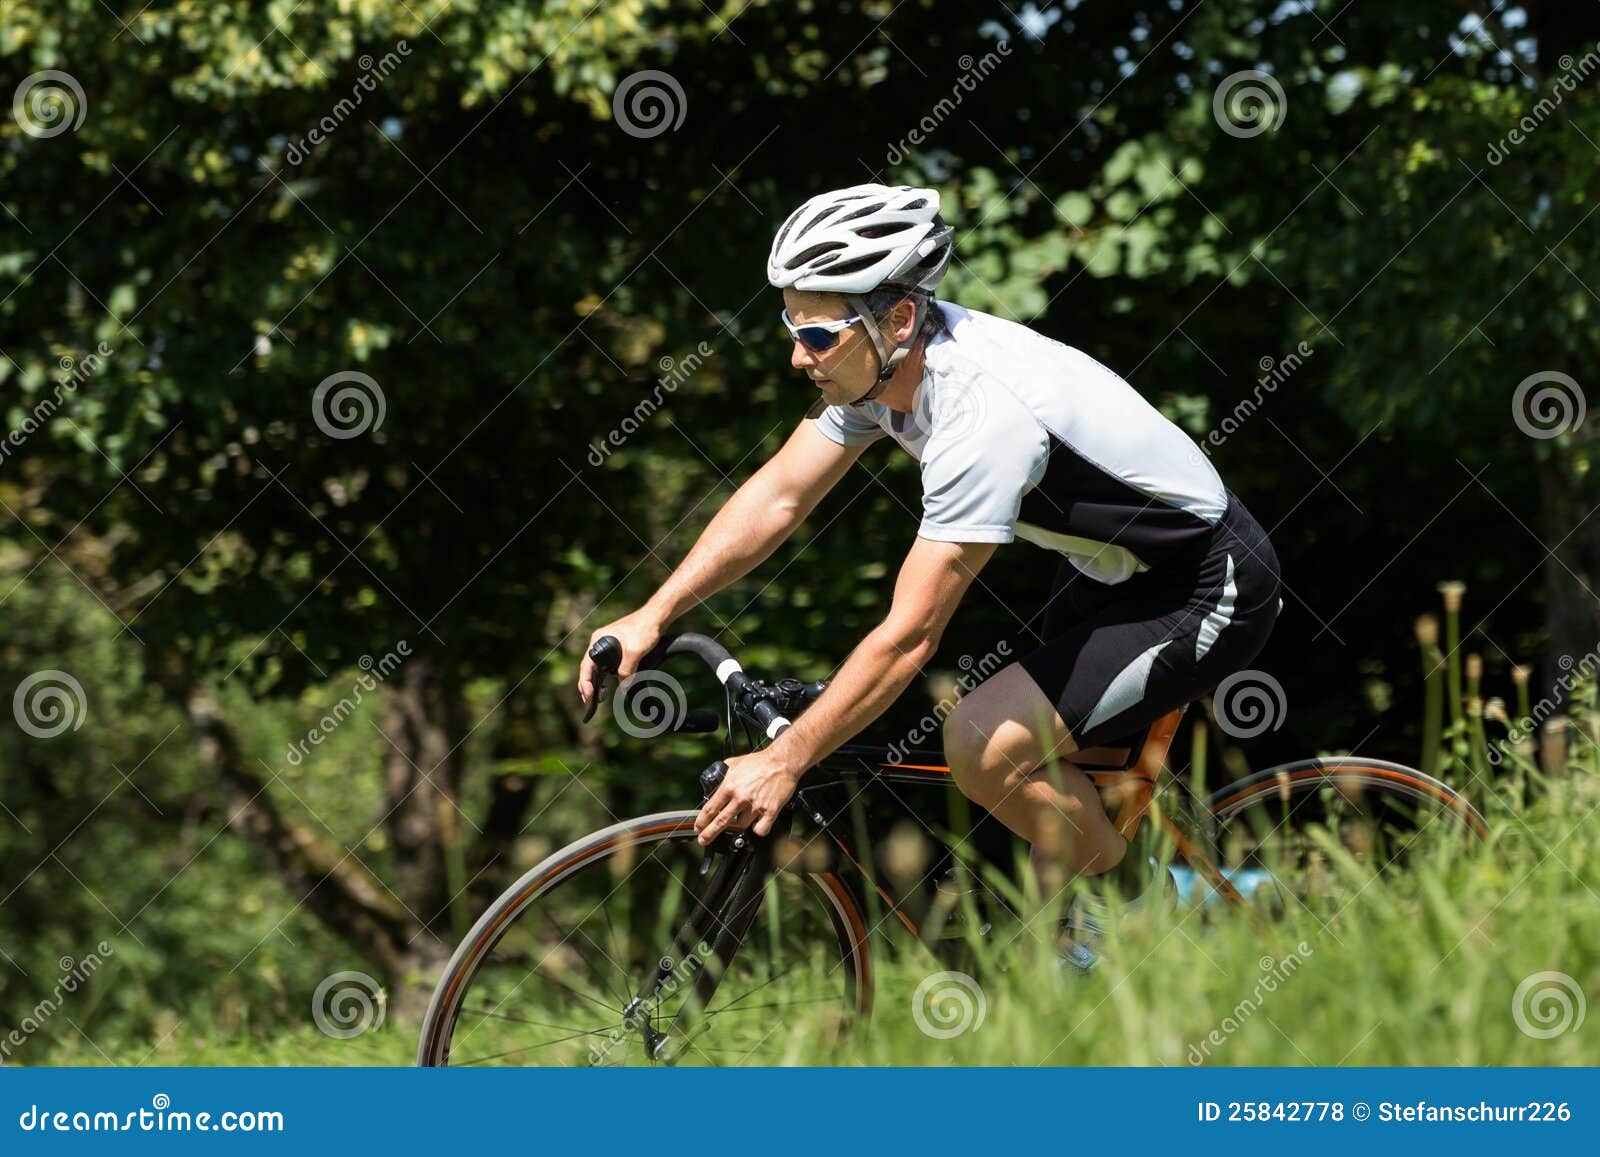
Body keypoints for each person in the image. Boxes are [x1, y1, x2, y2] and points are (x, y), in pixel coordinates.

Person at [578, 182, 1281, 924]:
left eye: (817, 335)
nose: (796, 356)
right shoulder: (883, 367)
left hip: (1206, 582)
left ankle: (1164, 911)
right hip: (1111, 573)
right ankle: (1147, 898)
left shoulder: (981, 416)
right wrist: (654, 614)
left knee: (982, 744)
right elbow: (782, 494)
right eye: (790, 326)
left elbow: (912, 638)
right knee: (1046, 779)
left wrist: (788, 759)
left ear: (900, 316)